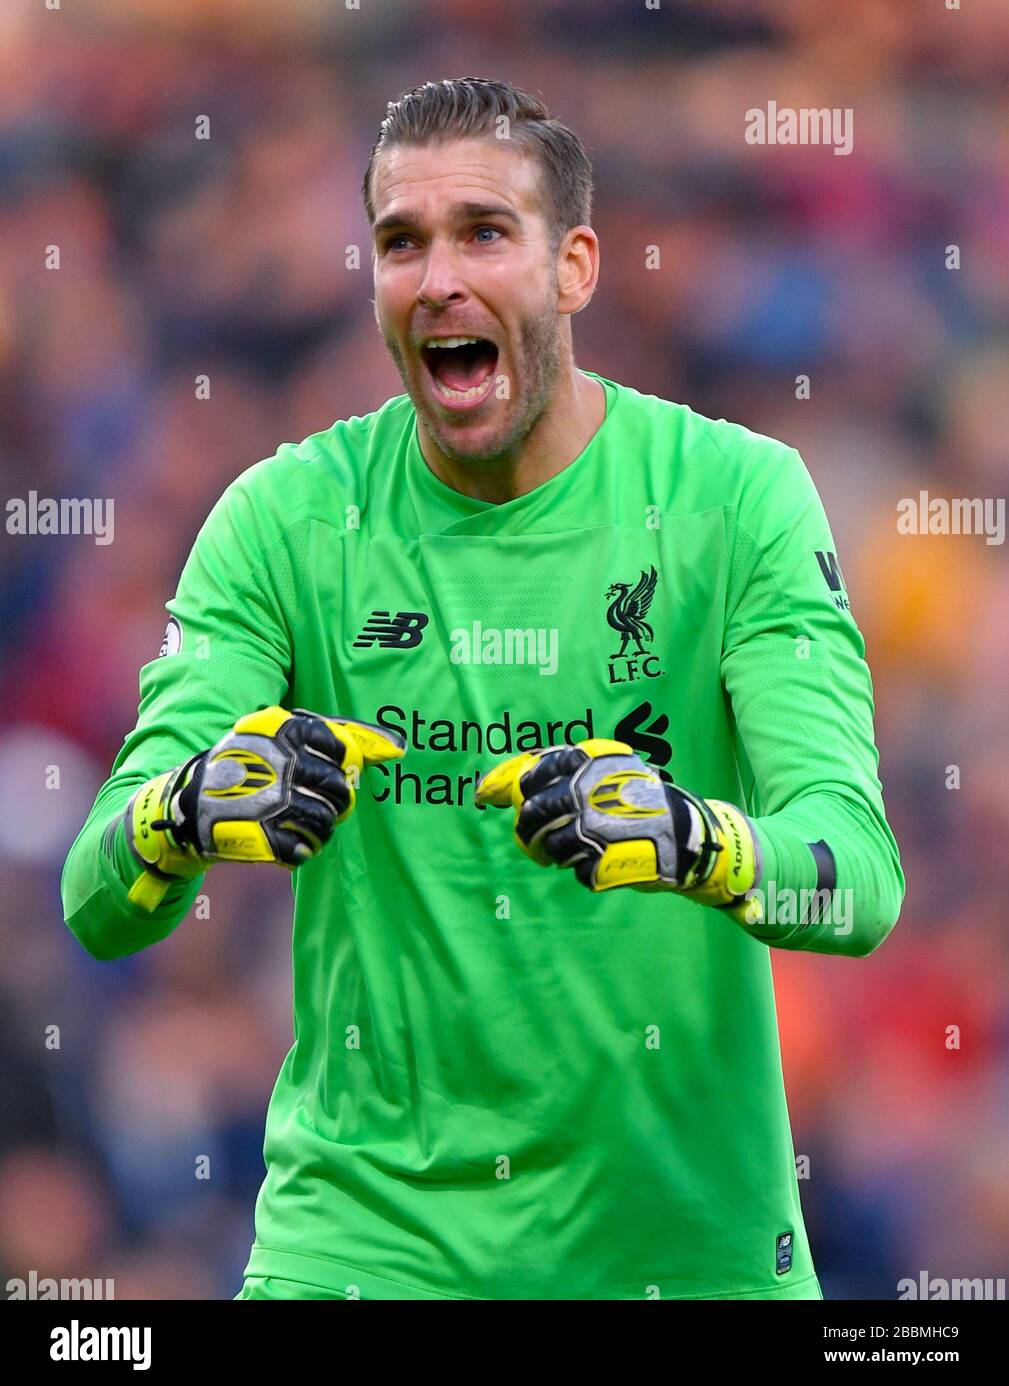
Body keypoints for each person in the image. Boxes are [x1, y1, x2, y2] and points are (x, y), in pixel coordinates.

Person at [62, 77, 904, 1301]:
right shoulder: (286, 520)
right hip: (362, 1252)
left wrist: (696, 842)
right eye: (401, 242)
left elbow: (859, 878)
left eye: (483, 233)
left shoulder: (735, 499)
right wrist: (176, 812)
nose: (437, 279)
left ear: (574, 267)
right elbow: (98, 902)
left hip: (676, 1253)